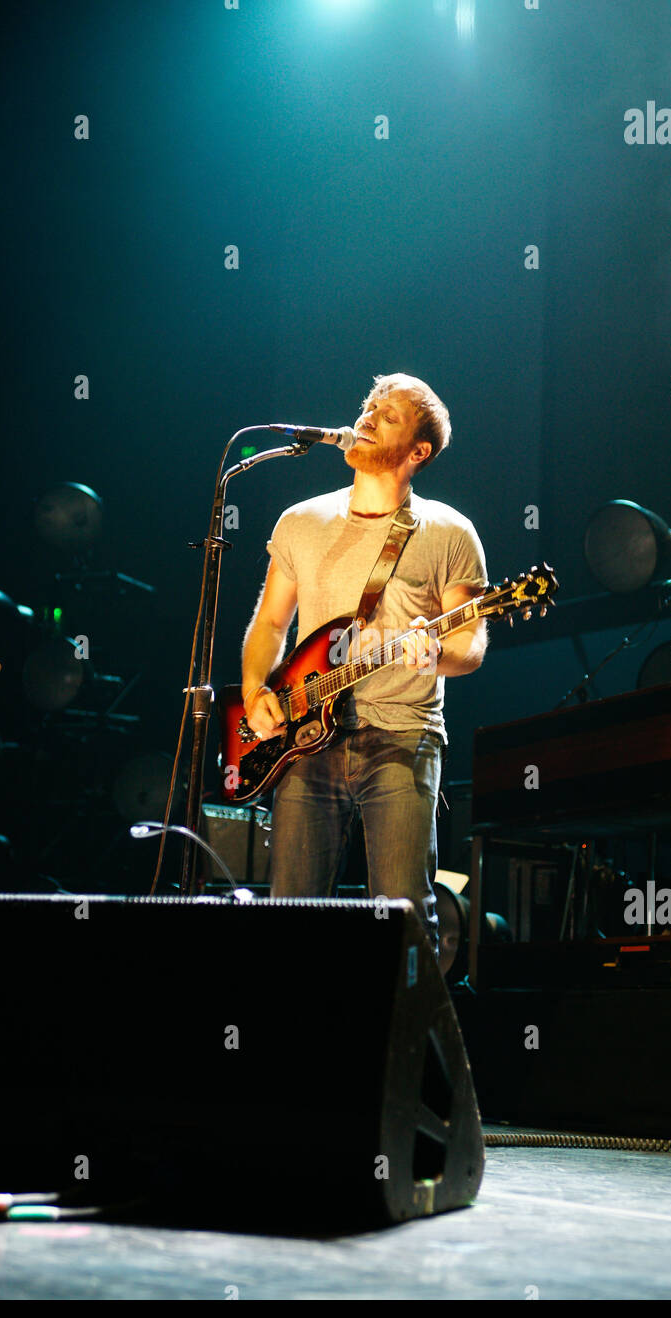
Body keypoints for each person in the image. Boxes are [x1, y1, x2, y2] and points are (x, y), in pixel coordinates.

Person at [240, 372, 488, 954]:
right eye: (369, 406)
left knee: (402, 921)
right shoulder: (300, 521)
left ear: (419, 451)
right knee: (291, 915)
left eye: (390, 415)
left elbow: (471, 644)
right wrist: (255, 692)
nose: (369, 417)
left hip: (403, 737)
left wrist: (436, 655)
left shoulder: (450, 532)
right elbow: (272, 623)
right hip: (306, 739)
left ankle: (401, 1045)